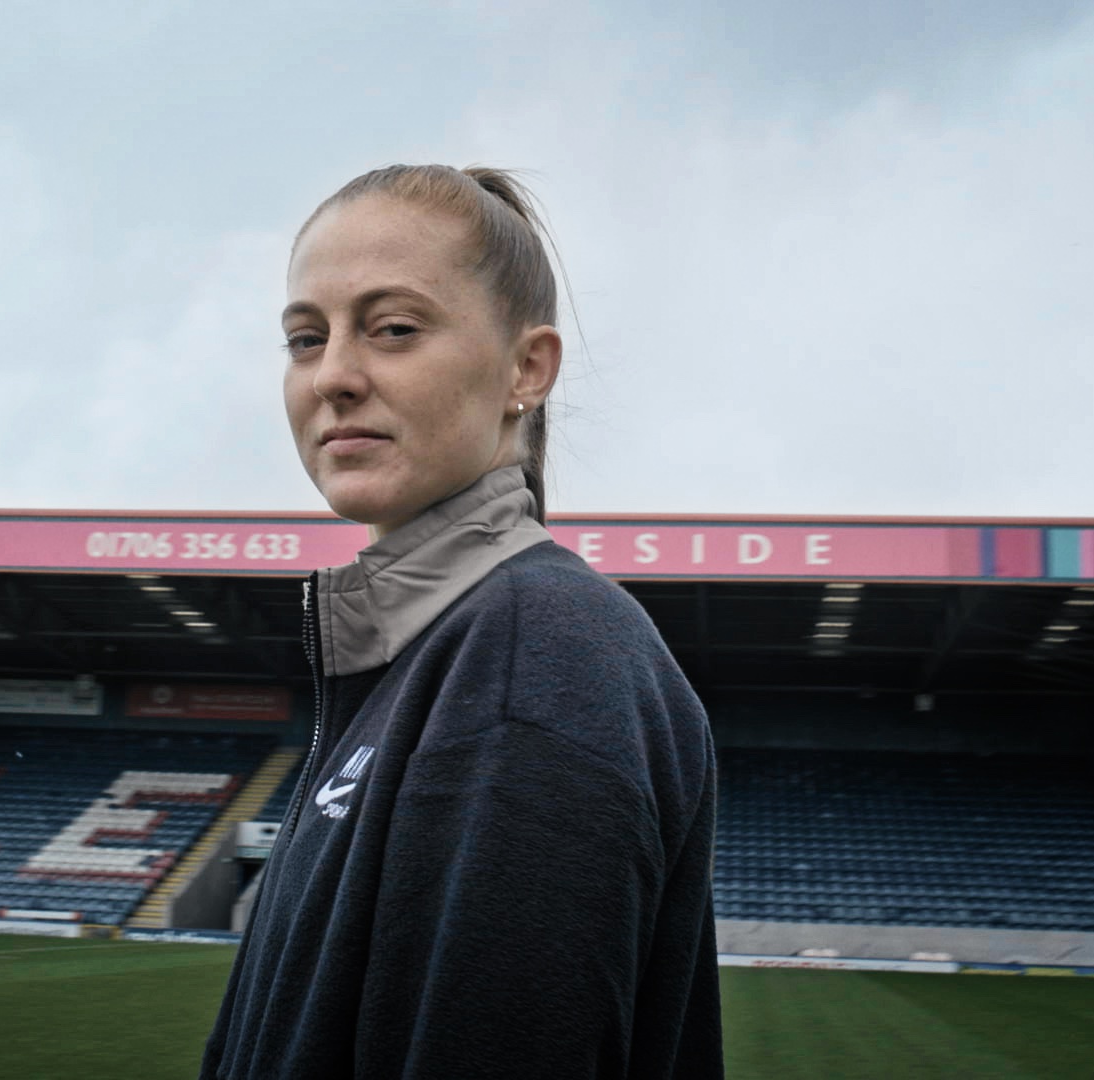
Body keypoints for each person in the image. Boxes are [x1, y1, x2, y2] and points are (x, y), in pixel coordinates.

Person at [201, 164, 723, 1079]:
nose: (333, 377)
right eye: (305, 338)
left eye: (394, 329)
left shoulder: (535, 658)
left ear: (528, 367)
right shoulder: (445, 644)